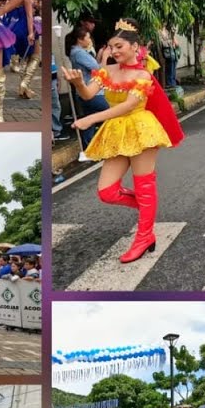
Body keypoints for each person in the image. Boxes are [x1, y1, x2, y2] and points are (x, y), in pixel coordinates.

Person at [64, 20, 185, 263]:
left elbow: (129, 105)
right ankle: (146, 209)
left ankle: (144, 236)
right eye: (110, 47)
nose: (114, 51)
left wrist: (91, 119)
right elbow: (88, 94)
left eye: (119, 46)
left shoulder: (143, 75)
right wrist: (77, 83)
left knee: (144, 185)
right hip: (117, 133)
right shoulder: (106, 70)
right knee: (106, 191)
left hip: (140, 129)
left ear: (134, 47)